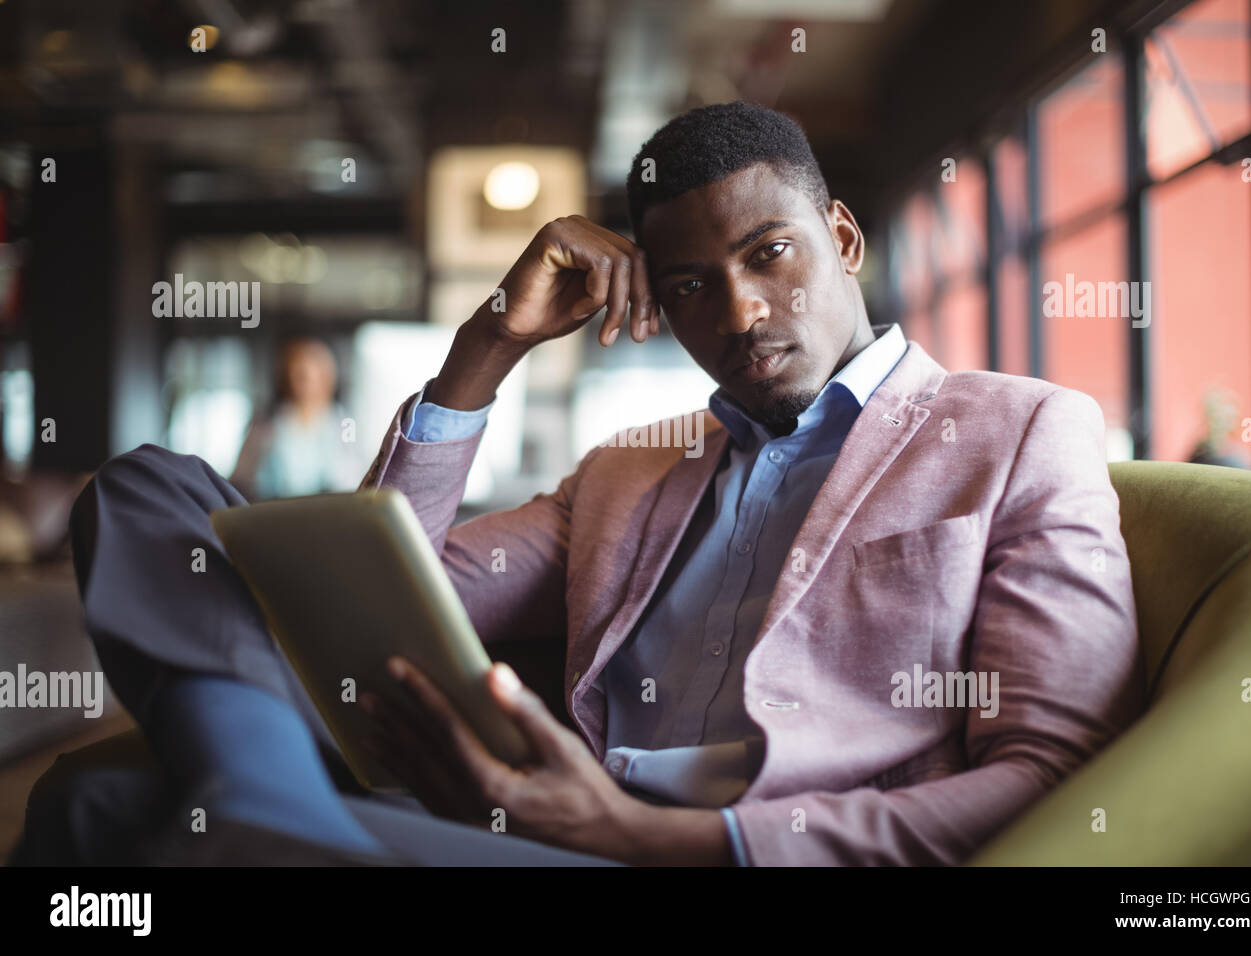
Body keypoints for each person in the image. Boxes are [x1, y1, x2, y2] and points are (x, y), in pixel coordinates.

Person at [14, 101, 1144, 867]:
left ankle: (274, 822)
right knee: (145, 486)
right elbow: (375, 602)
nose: (739, 313)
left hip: (697, 855)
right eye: (692, 284)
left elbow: (1047, 771)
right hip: (527, 822)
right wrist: (488, 347)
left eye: (770, 253)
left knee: (94, 811)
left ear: (841, 236)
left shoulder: (1020, 430)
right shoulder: (627, 469)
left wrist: (647, 834)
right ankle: (279, 819)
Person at [229, 336, 366, 501]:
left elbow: (356, 477)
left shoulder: (345, 425)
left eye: (313, 373)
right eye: (298, 374)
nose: (303, 382)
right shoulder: (266, 425)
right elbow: (240, 481)